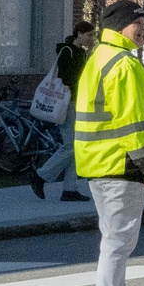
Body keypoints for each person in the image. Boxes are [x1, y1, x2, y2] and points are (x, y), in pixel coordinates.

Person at [72, 0, 144, 286]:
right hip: (119, 163)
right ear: (119, 26)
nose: (142, 30)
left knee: (115, 240)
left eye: (143, 23)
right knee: (117, 243)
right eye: (136, 24)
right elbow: (132, 123)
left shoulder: (99, 58)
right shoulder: (124, 65)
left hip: (100, 162)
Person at [30, 22, 96, 202]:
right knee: (71, 146)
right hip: (66, 102)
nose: (91, 39)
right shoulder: (67, 51)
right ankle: (41, 175)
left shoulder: (81, 53)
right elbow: (69, 77)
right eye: (89, 35)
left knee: (75, 147)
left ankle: (70, 189)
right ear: (79, 34)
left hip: (75, 102)